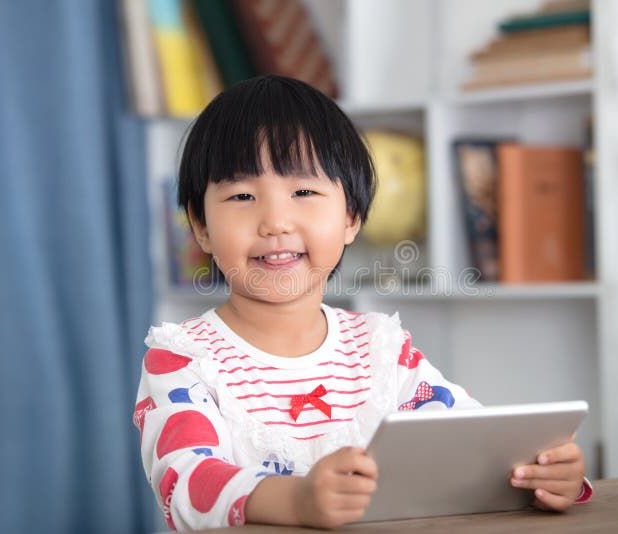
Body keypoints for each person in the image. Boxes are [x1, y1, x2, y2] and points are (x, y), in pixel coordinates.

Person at [133, 75, 591, 531]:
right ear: (201, 227)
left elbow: (466, 437)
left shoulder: (380, 349)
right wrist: (296, 500)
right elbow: (185, 481)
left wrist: (541, 473)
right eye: (242, 196)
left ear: (351, 216)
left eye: (304, 192)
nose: (275, 221)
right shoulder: (182, 358)